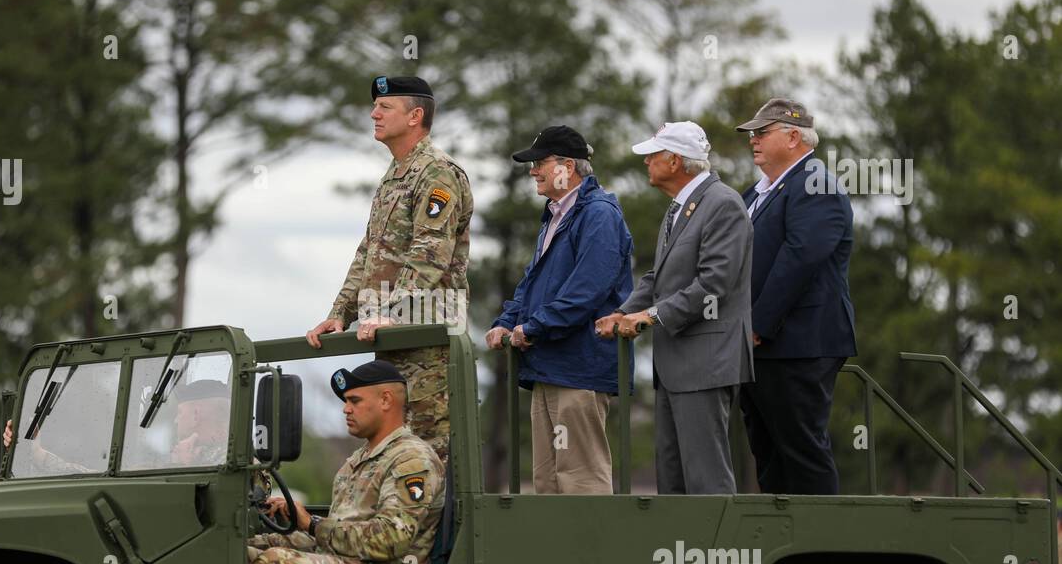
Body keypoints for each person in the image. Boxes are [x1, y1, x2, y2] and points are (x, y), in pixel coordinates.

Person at [305, 76, 473, 466]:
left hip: (428, 335)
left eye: (385, 107)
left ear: (415, 116)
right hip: (392, 333)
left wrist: (391, 312)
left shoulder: (436, 173)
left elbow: (431, 252)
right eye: (374, 106)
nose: (373, 113)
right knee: (395, 452)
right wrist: (339, 314)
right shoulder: (395, 175)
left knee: (431, 453)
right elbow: (369, 251)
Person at [595, 122, 752, 495]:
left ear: (676, 160)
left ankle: (719, 554)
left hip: (704, 363)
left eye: (654, 154)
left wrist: (649, 316)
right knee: (673, 479)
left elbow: (714, 285)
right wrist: (625, 311)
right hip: (677, 362)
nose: (647, 160)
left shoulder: (723, 203)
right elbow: (658, 277)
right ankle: (682, 554)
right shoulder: (681, 206)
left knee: (705, 479)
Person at [245, 360, 444, 564]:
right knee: (241, 555)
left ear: (386, 400)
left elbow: (391, 539)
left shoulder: (411, 459)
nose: (345, 409)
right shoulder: (359, 460)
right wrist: (278, 535)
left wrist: (312, 525)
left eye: (354, 400)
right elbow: (337, 536)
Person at [485, 125, 632, 494]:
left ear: (568, 165)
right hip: (551, 364)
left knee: (580, 478)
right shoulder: (556, 214)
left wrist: (533, 328)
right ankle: (556, 554)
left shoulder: (598, 214)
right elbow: (532, 283)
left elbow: (586, 291)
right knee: (548, 481)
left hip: (578, 368)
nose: (533, 171)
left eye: (540, 163)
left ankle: (593, 554)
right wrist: (507, 322)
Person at [734, 98, 856, 494]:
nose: (752, 140)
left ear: (793, 137)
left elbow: (800, 259)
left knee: (802, 451)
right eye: (751, 133)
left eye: (761, 132)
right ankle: (782, 544)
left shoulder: (815, 184)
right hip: (763, 344)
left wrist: (758, 324)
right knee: (768, 452)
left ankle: (823, 549)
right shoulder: (758, 192)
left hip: (800, 342)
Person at [2, 377, 230, 472]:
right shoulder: (199, 457)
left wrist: (39, 454)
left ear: (197, 415)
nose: (176, 419)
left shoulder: (214, 462)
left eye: (180, 413)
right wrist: (37, 453)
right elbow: (105, 480)